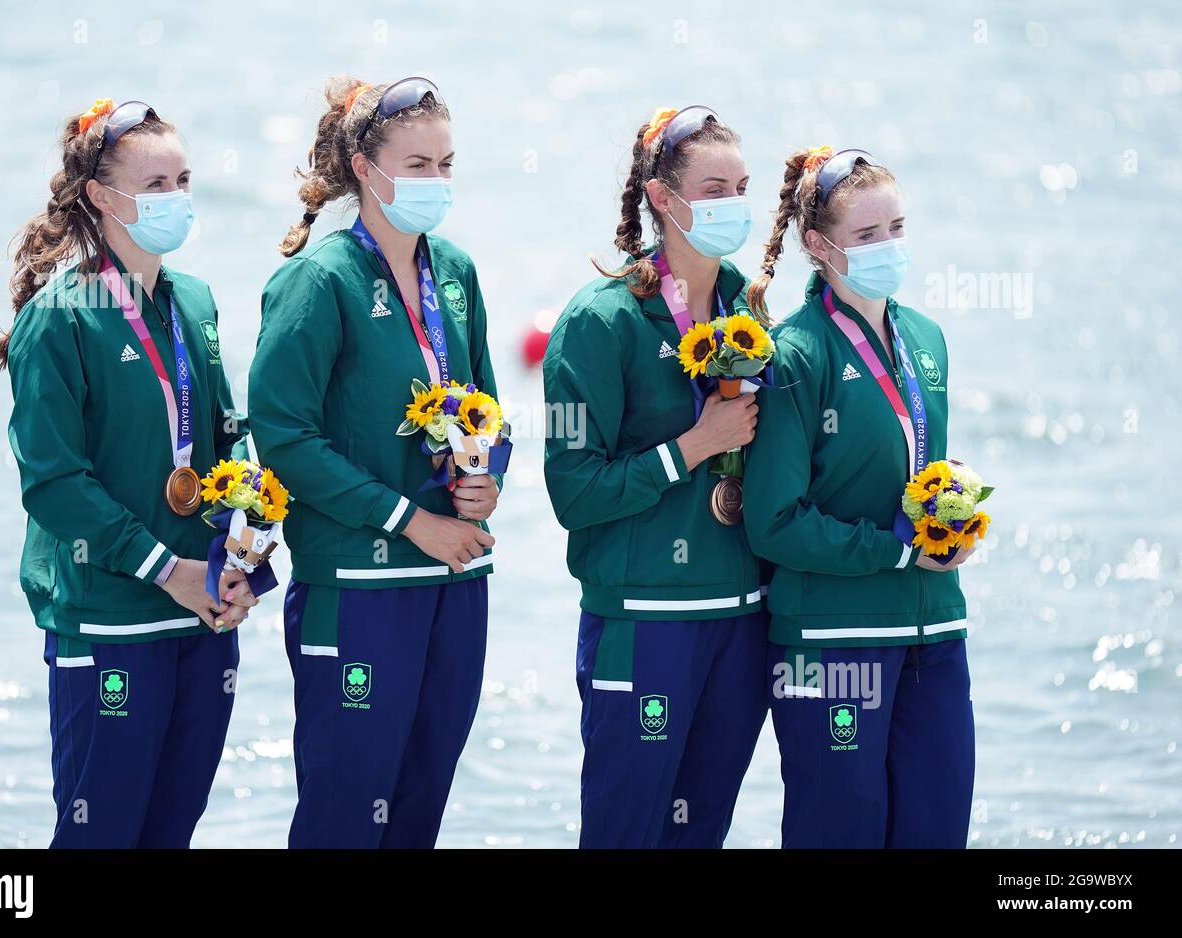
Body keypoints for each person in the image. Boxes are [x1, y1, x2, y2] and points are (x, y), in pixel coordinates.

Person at [0, 98, 256, 847]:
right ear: (101, 198)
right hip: (108, 618)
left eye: (183, 180)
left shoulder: (195, 301)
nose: (176, 199)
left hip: (202, 614)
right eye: (156, 185)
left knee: (171, 832)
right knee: (99, 834)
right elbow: (53, 482)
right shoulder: (58, 316)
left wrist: (240, 552)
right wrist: (162, 566)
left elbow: (224, 442)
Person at [250, 76, 501, 848]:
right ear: (364, 166)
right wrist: (408, 520)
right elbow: (282, 435)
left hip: (455, 582)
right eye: (418, 165)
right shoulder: (317, 280)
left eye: (447, 165)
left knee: (418, 812)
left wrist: (486, 482)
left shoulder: (454, 272)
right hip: (360, 587)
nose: (437, 182)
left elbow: (488, 403)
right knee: (345, 819)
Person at [542, 106, 768, 848]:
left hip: (740, 622)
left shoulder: (752, 308)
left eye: (742, 186)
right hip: (643, 622)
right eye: (714, 187)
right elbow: (573, 493)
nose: (734, 204)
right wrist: (691, 448)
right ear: (664, 199)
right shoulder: (598, 323)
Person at [741, 146, 975, 848]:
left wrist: (950, 506)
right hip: (831, 642)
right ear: (819, 246)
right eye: (868, 236)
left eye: (897, 229)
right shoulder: (795, 354)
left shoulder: (926, 339)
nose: (889, 248)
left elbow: (907, 461)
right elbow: (772, 524)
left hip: (935, 630)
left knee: (936, 831)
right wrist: (898, 553)